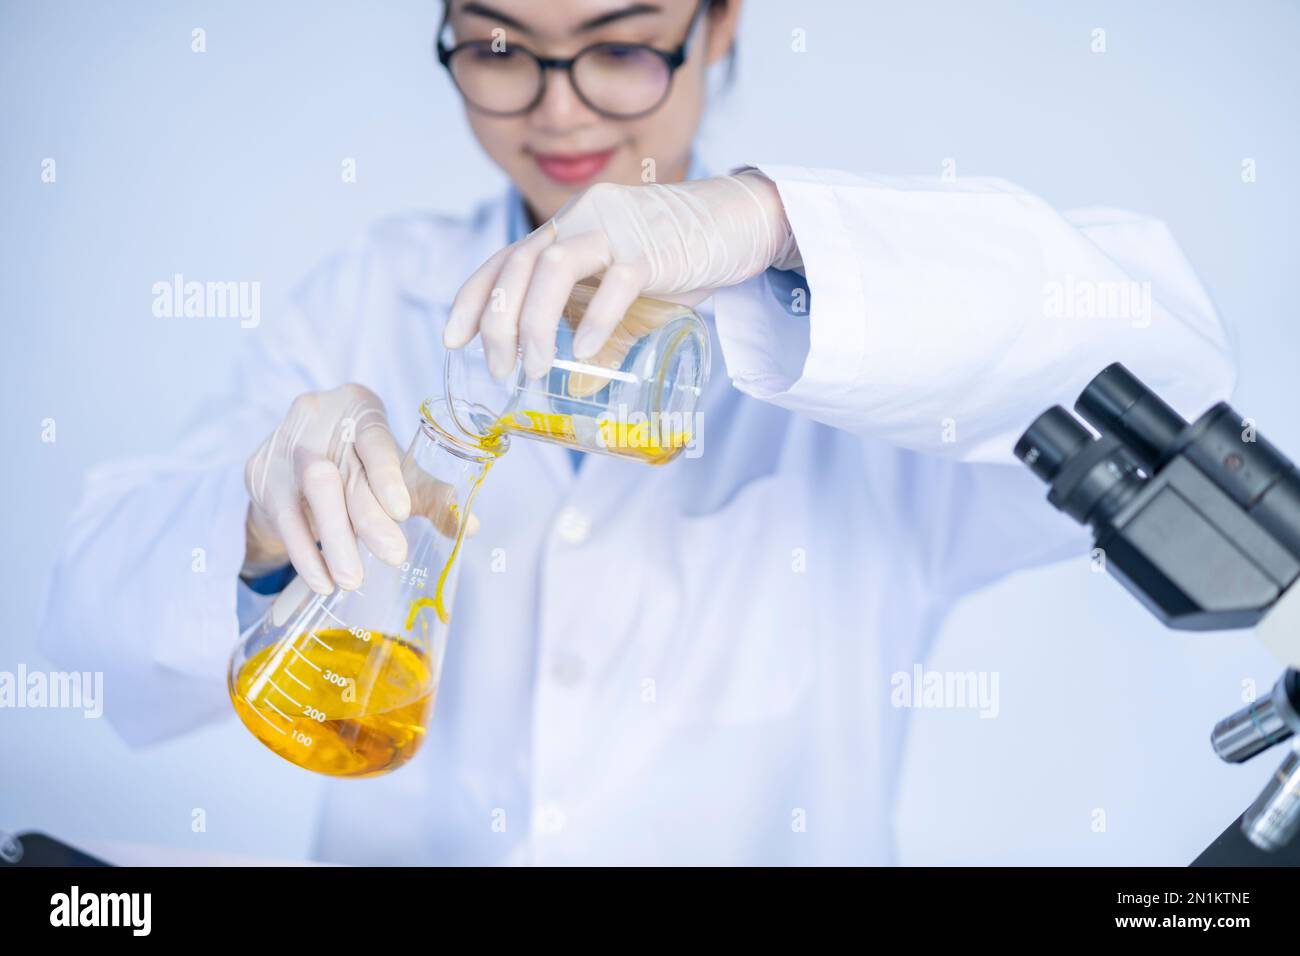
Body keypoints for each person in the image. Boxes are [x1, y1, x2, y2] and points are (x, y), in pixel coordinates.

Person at [41, 0, 1235, 864]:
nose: (557, 110)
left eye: (620, 45)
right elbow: (92, 619)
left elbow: (1168, 379)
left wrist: (768, 226)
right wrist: (259, 516)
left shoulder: (873, 318)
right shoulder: (371, 295)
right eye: (500, 46)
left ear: (721, 26)